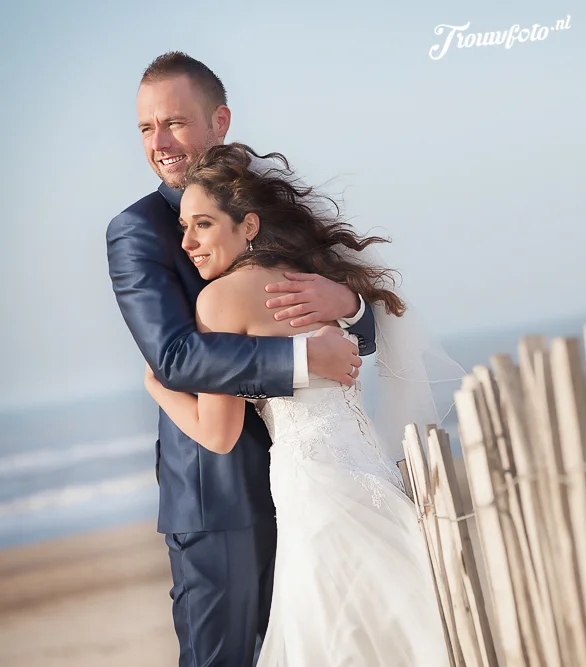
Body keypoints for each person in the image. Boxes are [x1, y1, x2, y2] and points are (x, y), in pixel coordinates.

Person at [106, 52, 377, 666]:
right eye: (147, 128)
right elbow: (176, 355)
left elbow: (359, 337)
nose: (160, 142)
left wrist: (349, 302)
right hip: (217, 495)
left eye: (174, 122)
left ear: (219, 120)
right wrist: (304, 361)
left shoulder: (266, 209)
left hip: (313, 483)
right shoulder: (139, 230)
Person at [142, 141, 454, 667]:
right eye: (183, 228)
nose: (189, 242)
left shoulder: (217, 299)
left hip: (310, 490)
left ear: (248, 226)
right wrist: (351, 305)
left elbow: (217, 433)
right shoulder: (312, 280)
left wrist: (158, 383)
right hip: (373, 479)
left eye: (203, 224)